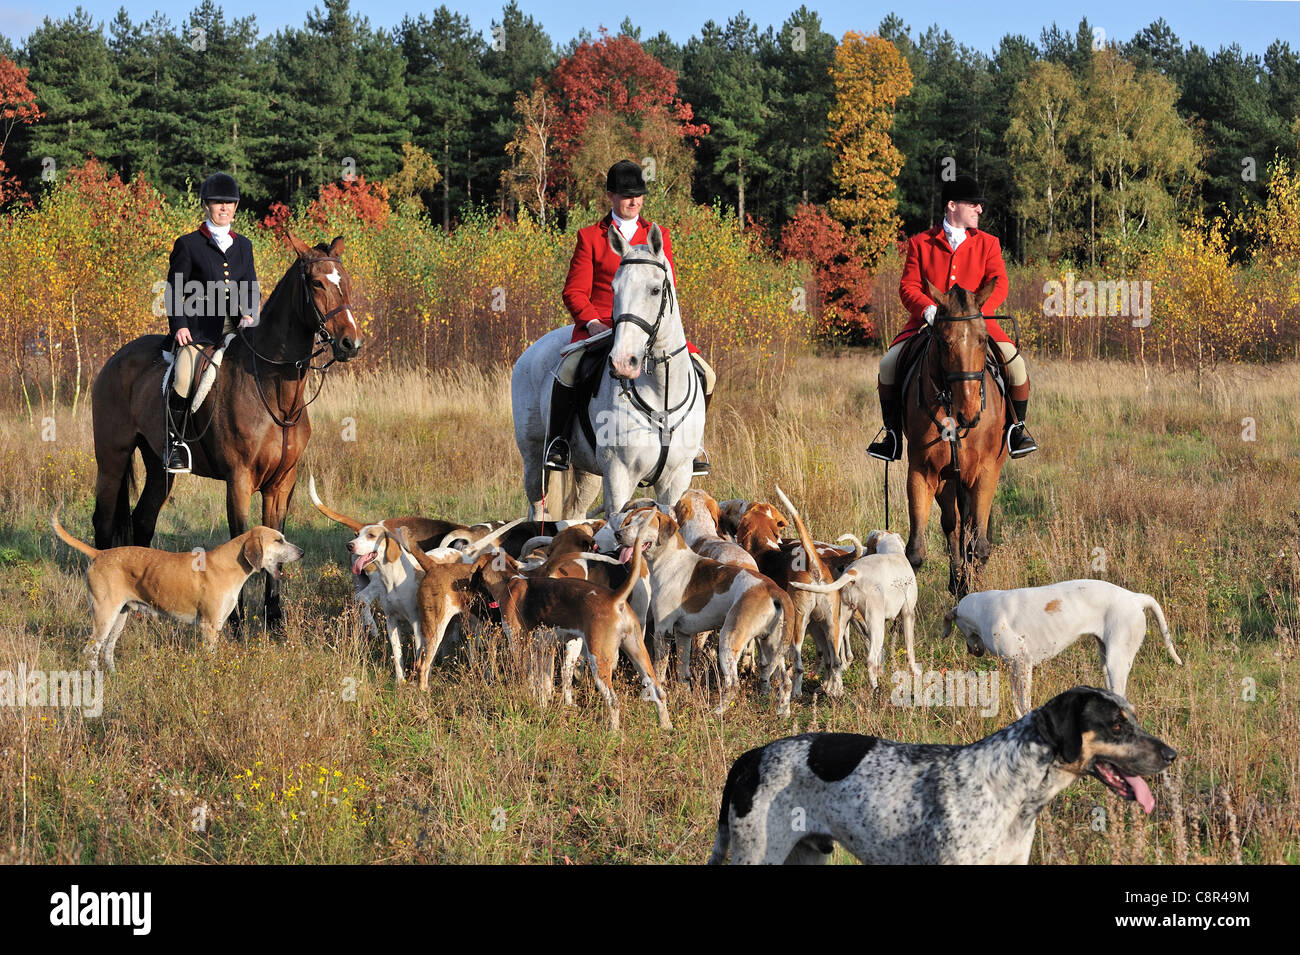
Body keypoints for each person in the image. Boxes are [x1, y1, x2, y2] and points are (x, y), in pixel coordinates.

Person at [545, 159, 717, 475]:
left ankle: (692, 445)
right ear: (610, 195)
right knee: (569, 369)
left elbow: (669, 289)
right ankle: (559, 443)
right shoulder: (591, 237)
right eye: (626, 195)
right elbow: (574, 292)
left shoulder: (657, 234)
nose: (634, 201)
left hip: (651, 328)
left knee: (706, 373)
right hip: (603, 327)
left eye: (638, 194)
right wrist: (592, 321)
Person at [866, 174, 1038, 461]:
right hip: (928, 324)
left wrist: (976, 313)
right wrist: (928, 309)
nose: (980, 210)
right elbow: (908, 286)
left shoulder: (989, 243)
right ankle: (892, 434)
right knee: (887, 366)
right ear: (951, 205)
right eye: (973, 204)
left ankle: (1016, 431)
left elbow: (1000, 282)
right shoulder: (920, 243)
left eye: (980, 205)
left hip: (979, 325)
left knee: (1017, 366)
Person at [163, 172, 259, 474]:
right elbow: (173, 289)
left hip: (234, 333)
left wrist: (250, 313)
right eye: (218, 203)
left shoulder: (244, 246)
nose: (224, 208)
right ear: (206, 205)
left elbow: (250, 287)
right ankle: (174, 443)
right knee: (182, 376)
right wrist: (179, 325)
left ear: (236, 207)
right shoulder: (189, 244)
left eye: (230, 203)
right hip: (197, 334)